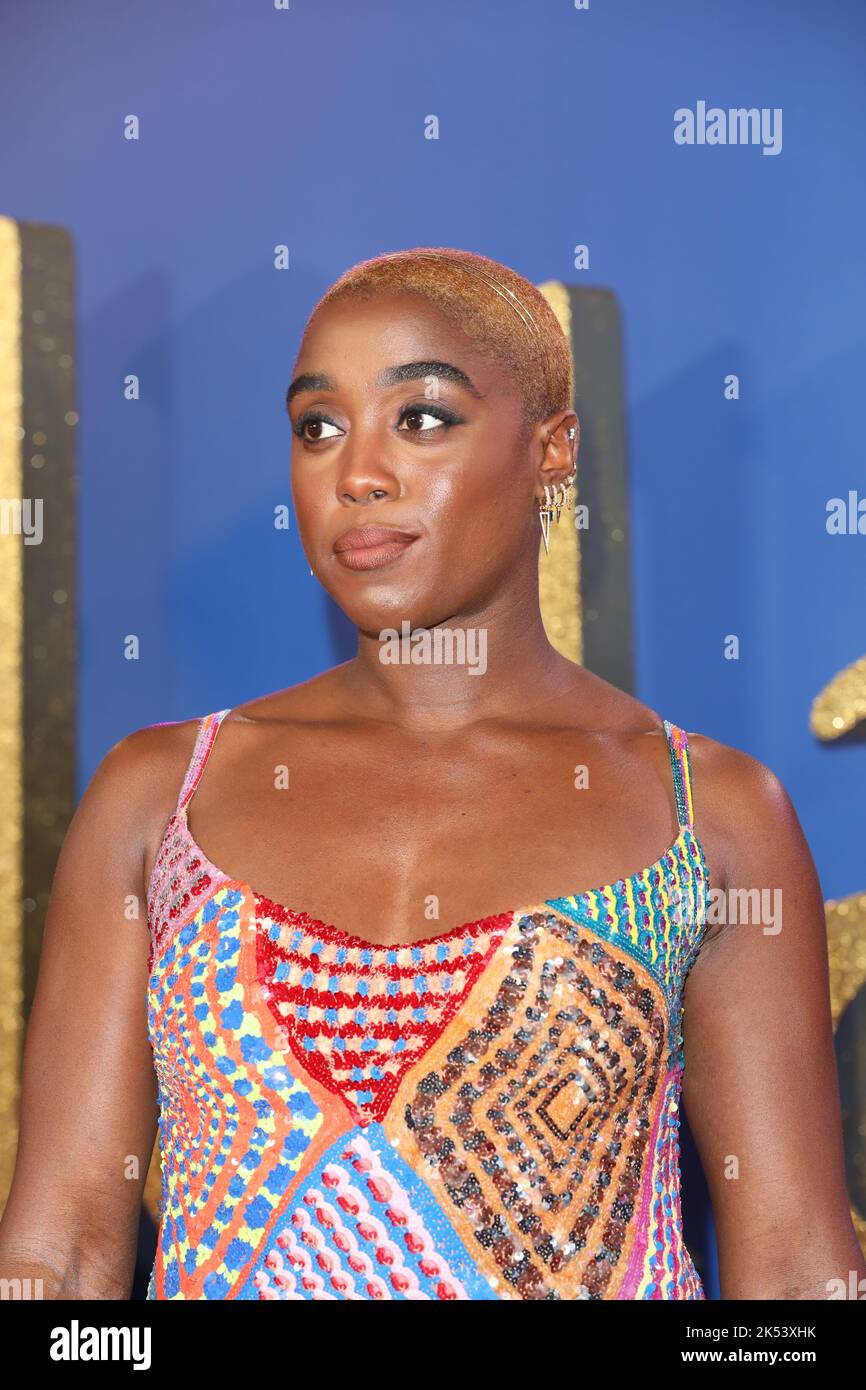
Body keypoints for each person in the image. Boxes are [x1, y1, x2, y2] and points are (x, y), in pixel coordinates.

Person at [0, 247, 862, 1301]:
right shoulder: (156, 795)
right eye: (318, 427)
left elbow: (794, 1273)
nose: (357, 473)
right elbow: (59, 1255)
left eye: (420, 417)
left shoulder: (711, 814)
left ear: (552, 449)